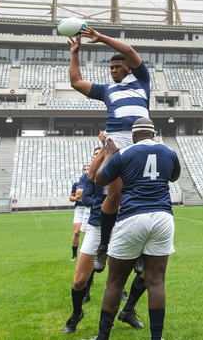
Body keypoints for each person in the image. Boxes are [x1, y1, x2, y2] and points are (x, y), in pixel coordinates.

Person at [88, 116, 180, 340]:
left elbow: (99, 180)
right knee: (156, 282)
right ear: (154, 134)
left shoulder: (125, 153)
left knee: (115, 282)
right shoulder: (169, 152)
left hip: (132, 217)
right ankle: (157, 338)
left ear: (134, 135)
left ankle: (102, 338)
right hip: (162, 217)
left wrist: (109, 154)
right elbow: (174, 176)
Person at [68, 27, 151, 273]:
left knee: (138, 198)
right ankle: (104, 245)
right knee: (113, 197)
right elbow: (75, 82)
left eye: (117, 67)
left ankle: (137, 251)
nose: (113, 70)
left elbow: (128, 50)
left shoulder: (142, 81)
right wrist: (75, 54)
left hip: (140, 143)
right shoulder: (106, 90)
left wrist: (101, 38)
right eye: (111, 68)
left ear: (129, 68)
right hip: (116, 145)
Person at [64, 140, 146, 335]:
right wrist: (103, 148)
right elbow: (86, 192)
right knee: (79, 281)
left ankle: (127, 310)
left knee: (144, 273)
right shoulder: (94, 170)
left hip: (125, 224)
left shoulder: (126, 161)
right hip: (97, 225)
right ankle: (77, 313)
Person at [70, 165, 91, 261]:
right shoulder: (77, 184)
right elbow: (72, 197)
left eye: (88, 169)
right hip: (79, 208)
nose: (86, 171)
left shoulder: (93, 181)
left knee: (89, 232)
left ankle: (89, 254)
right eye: (85, 169)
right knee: (77, 231)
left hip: (90, 207)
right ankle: (74, 255)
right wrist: (73, 198)